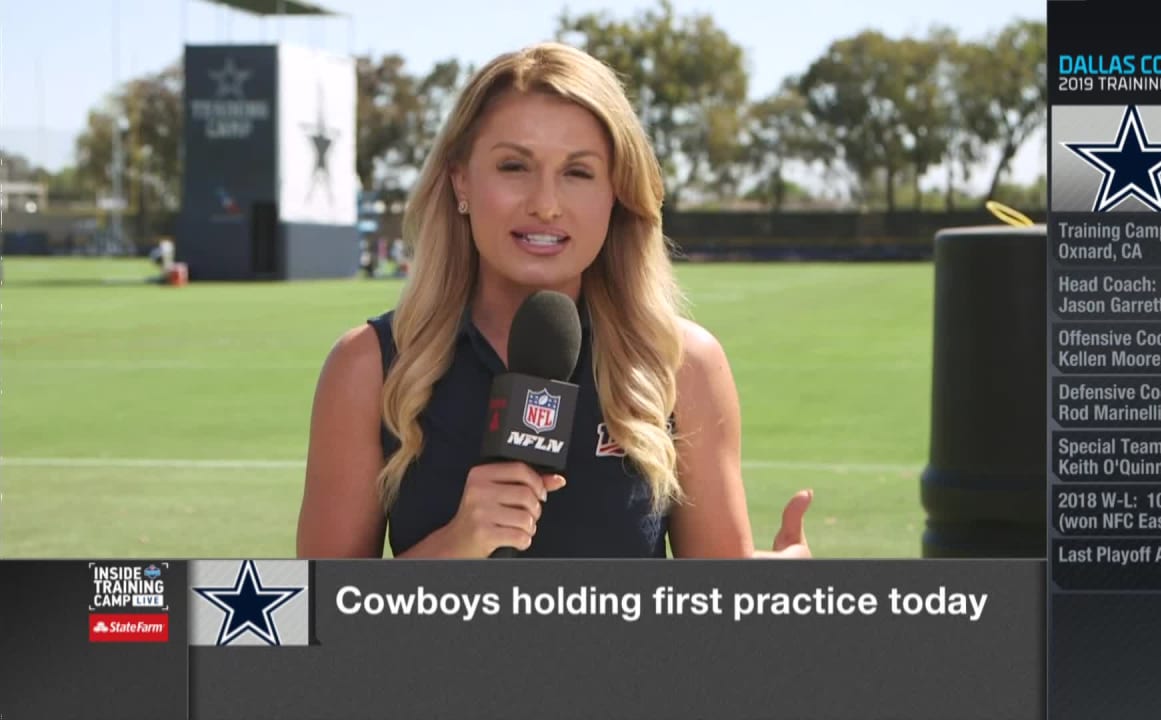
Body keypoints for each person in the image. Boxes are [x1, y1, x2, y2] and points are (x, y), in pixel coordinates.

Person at [296, 42, 813, 559]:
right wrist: (455, 547)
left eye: (578, 172)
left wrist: (770, 598)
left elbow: (720, 612)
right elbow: (319, 624)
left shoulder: (682, 365)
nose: (545, 204)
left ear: (617, 193)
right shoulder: (368, 367)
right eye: (514, 166)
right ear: (461, 180)